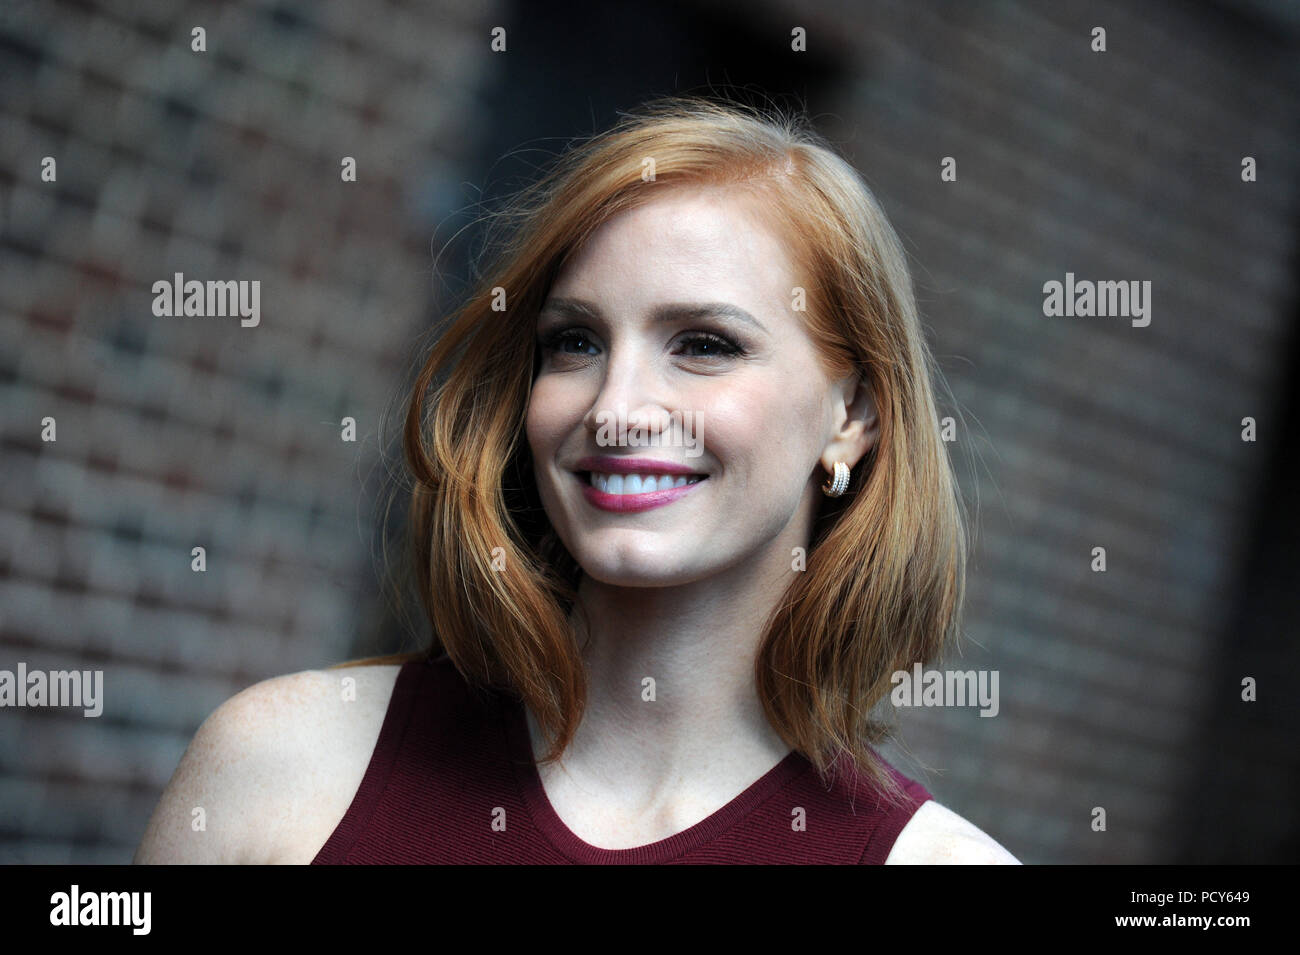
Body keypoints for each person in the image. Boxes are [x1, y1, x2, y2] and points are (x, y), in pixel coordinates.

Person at [134, 95, 1019, 864]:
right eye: (576, 342)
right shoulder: (279, 761)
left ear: (852, 414)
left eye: (705, 344)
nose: (615, 407)